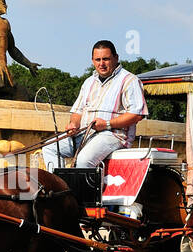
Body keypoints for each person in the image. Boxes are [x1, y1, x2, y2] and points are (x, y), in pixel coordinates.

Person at [42, 41, 148, 171]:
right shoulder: (89, 82)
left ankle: (83, 192)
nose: (101, 64)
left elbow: (137, 114)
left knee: (83, 160)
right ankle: (62, 188)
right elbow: (78, 111)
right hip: (85, 134)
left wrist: (107, 124)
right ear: (92, 60)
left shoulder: (129, 80)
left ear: (116, 58)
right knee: (49, 147)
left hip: (112, 135)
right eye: (98, 59)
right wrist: (74, 124)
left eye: (106, 59)